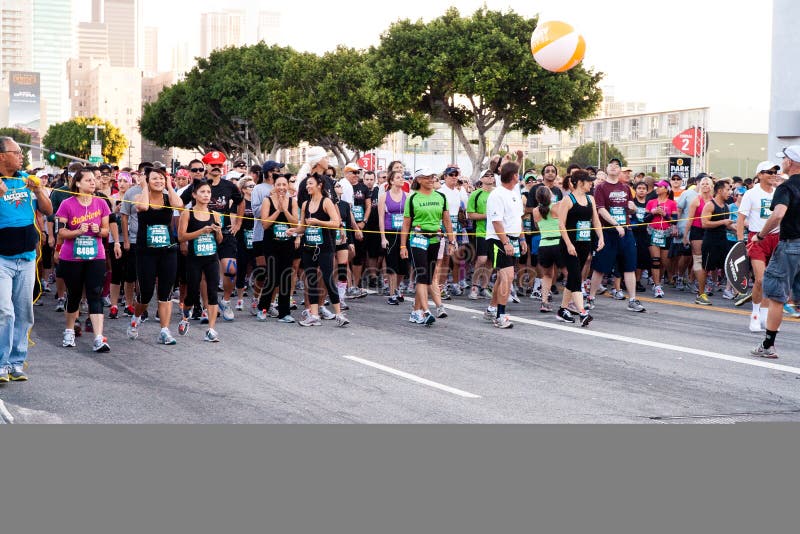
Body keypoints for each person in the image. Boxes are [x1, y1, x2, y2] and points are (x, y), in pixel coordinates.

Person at [0, 137, 53, 382]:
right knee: (5, 312)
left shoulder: (24, 179)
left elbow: (48, 210)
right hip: (2, 259)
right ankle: (1, 363)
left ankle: (16, 362)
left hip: (27, 257)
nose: (21, 156)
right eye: (17, 152)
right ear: (2, 156)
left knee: (24, 312)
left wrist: (39, 189)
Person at [180, 151, 243, 323]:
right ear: (206, 166)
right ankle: (207, 308)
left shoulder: (229, 185)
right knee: (204, 276)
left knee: (231, 270)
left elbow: (241, 200)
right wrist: (186, 230)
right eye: (213, 165)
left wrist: (237, 223)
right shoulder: (196, 186)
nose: (216, 168)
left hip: (224, 233)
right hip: (200, 237)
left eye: (219, 165)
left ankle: (226, 301)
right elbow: (180, 204)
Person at [751, 146, 800, 358]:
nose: (783, 164)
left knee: (778, 296)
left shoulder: (786, 187)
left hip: (790, 245)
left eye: (785, 160)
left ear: (791, 162)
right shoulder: (785, 185)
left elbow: (778, 214)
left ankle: (768, 345)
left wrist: (760, 235)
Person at [55, 168, 111, 352]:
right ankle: (69, 331)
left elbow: (106, 231)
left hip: (96, 255)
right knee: (75, 294)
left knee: (95, 294)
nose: (93, 182)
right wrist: (78, 231)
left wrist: (98, 230)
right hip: (72, 256)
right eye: (88, 180)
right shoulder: (66, 204)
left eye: (94, 179)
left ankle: (98, 338)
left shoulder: (101, 203)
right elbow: (61, 232)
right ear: (78, 183)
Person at [128, 167, 184, 344]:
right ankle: (136, 319)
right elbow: (143, 206)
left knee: (165, 292)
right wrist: (145, 186)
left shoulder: (168, 198)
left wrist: (169, 185)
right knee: (145, 293)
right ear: (147, 181)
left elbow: (179, 206)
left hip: (168, 250)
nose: (158, 181)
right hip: (146, 252)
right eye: (154, 179)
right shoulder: (140, 196)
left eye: (161, 178)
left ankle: (164, 330)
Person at [288, 173, 349, 327]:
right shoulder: (305, 205)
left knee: (328, 278)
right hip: (309, 247)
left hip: (325, 247)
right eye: (307, 184)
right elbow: (303, 227)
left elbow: (336, 223)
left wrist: (318, 221)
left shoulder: (326, 201)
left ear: (319, 185)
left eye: (310, 183)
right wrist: (294, 231)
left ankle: (339, 314)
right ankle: (314, 315)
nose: (308, 186)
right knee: (311, 280)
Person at [586, 158, 646, 313]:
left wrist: (633, 209)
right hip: (608, 232)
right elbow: (600, 209)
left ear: (620, 170)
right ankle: (591, 298)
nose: (614, 167)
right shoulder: (600, 187)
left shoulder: (626, 188)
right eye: (611, 165)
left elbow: (631, 210)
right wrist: (616, 224)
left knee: (629, 267)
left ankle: (632, 300)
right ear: (606, 168)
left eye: (617, 165)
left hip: (626, 232)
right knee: (600, 267)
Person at [400, 168, 455, 326]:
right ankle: (425, 311)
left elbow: (446, 221)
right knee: (422, 275)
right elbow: (406, 224)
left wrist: (451, 241)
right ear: (419, 180)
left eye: (433, 176)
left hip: (435, 239)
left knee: (428, 277)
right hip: (417, 238)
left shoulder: (441, 197)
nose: (431, 180)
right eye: (427, 177)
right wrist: (403, 246)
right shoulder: (412, 198)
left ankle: (416, 312)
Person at [736, 161, 781, 331]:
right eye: (769, 171)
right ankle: (754, 314)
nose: (772, 174)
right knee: (761, 279)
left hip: (777, 239)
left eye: (775, 171)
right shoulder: (750, 194)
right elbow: (740, 220)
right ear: (759, 175)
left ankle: (764, 314)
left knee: (772, 281)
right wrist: (740, 243)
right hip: (756, 239)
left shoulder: (779, 192)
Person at [177, 181, 223, 342]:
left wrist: (217, 232)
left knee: (212, 293)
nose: (206, 195)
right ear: (194, 195)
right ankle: (185, 315)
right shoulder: (187, 214)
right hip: (194, 258)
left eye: (208, 192)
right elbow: (181, 237)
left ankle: (211, 329)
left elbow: (220, 239)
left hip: (211, 258)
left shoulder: (215, 214)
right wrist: (201, 231)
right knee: (192, 293)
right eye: (202, 192)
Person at [483, 161, 527, 329]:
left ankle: (491, 309)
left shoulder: (514, 192)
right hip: (498, 240)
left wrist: (521, 239)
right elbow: (496, 222)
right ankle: (500, 316)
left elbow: (518, 219)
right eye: (518, 174)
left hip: (513, 239)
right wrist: (506, 242)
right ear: (514, 176)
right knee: (508, 277)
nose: (519, 177)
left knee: (503, 277)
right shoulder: (497, 194)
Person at [556, 170, 603, 326]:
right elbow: (561, 224)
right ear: (580, 182)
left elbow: (595, 221)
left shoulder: (590, 199)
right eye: (589, 181)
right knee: (576, 276)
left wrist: (601, 238)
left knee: (574, 277)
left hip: (585, 243)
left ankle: (562, 309)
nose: (591, 183)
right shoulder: (567, 200)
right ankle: (582, 312)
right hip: (570, 245)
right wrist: (569, 244)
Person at [258, 174, 299, 323]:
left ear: (287, 186)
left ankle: (284, 313)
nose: (281, 187)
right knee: (272, 276)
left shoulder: (292, 201)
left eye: (284, 184)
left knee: (285, 277)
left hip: (287, 244)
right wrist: (278, 210)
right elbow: (265, 224)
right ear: (274, 186)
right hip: (271, 244)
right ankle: (263, 308)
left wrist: (285, 210)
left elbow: (295, 223)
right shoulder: (267, 200)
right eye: (278, 184)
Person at [695, 180, 735, 305]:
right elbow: (705, 223)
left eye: (730, 190)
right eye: (727, 190)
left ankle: (736, 292)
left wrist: (738, 229)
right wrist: (723, 222)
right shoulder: (710, 205)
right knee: (705, 268)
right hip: (710, 241)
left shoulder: (726, 206)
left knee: (729, 265)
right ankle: (700, 295)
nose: (730, 192)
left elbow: (727, 225)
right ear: (719, 191)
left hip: (722, 240)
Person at [378, 170, 409, 305]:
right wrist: (383, 237)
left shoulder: (407, 196)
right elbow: (381, 217)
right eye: (398, 177)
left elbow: (410, 218)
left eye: (402, 177)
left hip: (403, 234)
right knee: (392, 264)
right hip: (390, 233)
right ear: (391, 181)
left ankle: (397, 288)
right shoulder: (384, 197)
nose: (401, 179)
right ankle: (392, 294)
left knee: (403, 266)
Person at [645, 180, 678, 298]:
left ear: (666, 189)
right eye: (656, 187)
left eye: (660, 187)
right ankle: (657, 286)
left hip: (666, 233)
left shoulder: (672, 203)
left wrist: (665, 215)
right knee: (655, 259)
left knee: (664, 261)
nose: (657, 188)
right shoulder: (651, 202)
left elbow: (675, 220)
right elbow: (645, 219)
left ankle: (659, 280)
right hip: (652, 232)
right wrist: (653, 213)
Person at [682, 177, 714, 297]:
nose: (705, 186)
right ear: (699, 186)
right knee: (698, 259)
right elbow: (689, 220)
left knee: (707, 259)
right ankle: (697, 284)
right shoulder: (696, 200)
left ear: (711, 186)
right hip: (697, 231)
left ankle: (692, 279)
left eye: (707, 184)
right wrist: (685, 236)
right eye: (703, 184)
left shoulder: (713, 200)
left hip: (710, 231)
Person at [532, 187, 562, 313]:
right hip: (558, 243)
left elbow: (537, 226)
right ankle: (571, 302)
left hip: (544, 244)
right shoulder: (556, 207)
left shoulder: (535, 211)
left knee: (547, 275)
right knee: (568, 273)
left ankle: (544, 302)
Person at [467, 169, 495, 300]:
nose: (490, 177)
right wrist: (486, 216)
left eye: (491, 175)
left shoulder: (497, 194)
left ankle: (484, 287)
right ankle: (474, 286)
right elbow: (470, 214)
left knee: (490, 261)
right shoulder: (476, 194)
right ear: (481, 179)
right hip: (481, 232)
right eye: (486, 175)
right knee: (482, 259)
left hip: (496, 232)